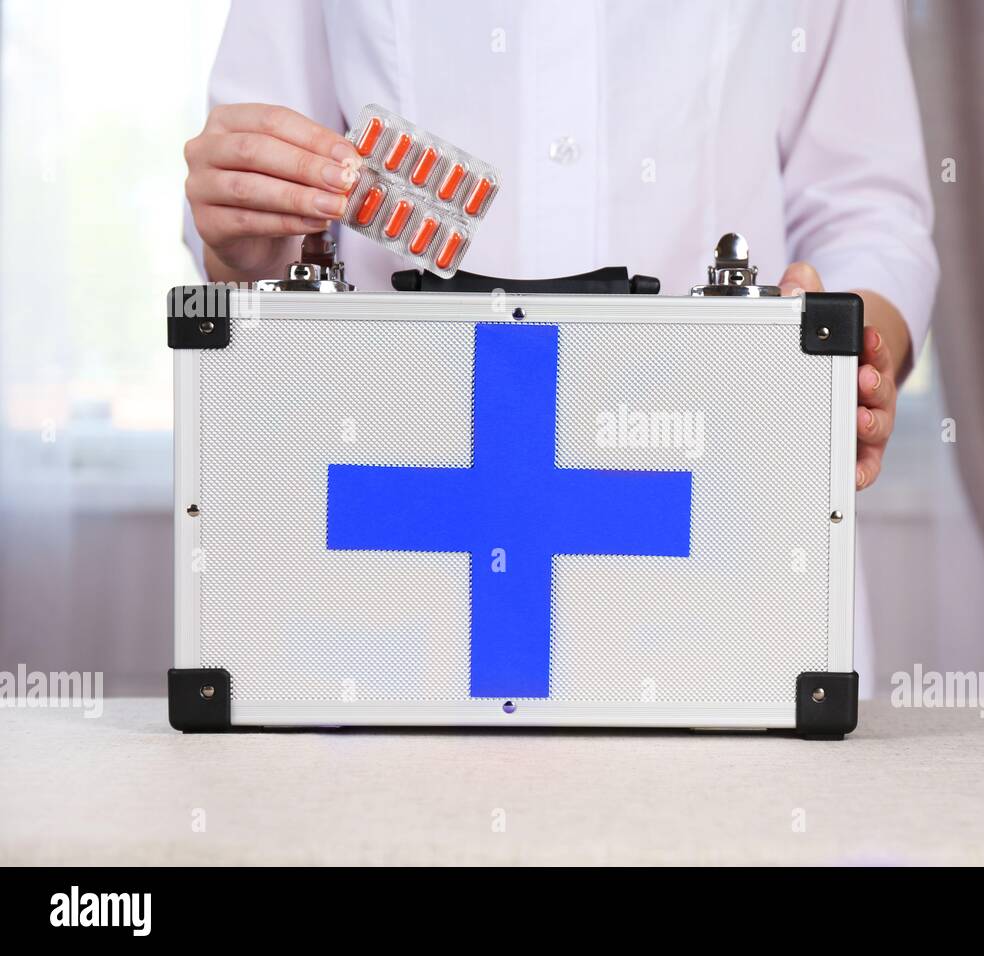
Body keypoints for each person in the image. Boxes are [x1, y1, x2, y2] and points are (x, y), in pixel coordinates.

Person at [183, 0, 939, 682]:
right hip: (392, 530)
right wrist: (241, 230)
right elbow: (255, 197)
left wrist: (848, 352)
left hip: (723, 520)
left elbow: (867, 210)